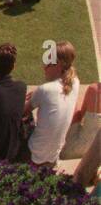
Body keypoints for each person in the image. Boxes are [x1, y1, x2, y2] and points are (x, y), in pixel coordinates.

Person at [26, 40, 81, 168]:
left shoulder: (45, 89)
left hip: (35, 154)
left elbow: (21, 112)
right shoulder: (75, 82)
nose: (44, 67)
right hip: (53, 155)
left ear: (60, 65)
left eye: (49, 63)